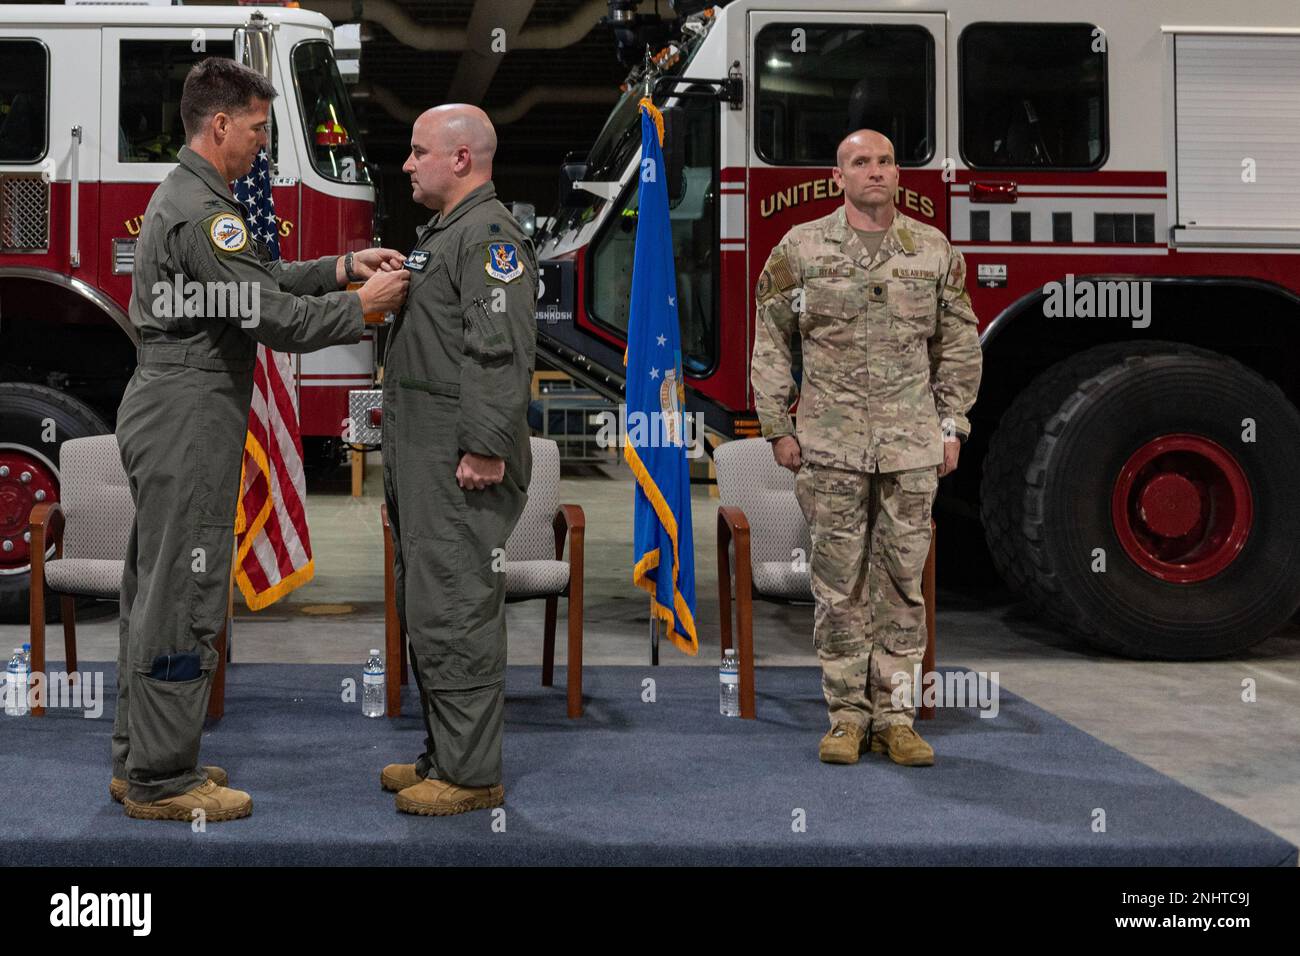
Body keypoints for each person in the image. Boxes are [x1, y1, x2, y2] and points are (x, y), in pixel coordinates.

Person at [113, 57, 409, 821]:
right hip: (189, 414)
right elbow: (273, 317)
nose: (260, 146)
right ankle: (158, 779)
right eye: (255, 129)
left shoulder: (191, 197)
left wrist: (342, 267)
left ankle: (147, 755)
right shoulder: (203, 210)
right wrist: (364, 308)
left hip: (176, 405)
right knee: (183, 589)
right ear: (219, 126)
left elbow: (260, 279)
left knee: (157, 587)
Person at [750, 129, 982, 767]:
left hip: (912, 449)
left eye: (884, 162)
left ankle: (898, 719)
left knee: (904, 585)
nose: (873, 171)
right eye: (860, 162)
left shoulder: (932, 251)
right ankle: (847, 717)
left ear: (899, 174)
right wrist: (778, 426)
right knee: (838, 587)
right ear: (838, 175)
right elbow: (771, 340)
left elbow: (958, 347)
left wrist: (952, 425)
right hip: (831, 449)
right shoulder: (800, 249)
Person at [379, 105, 537, 816]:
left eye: (419, 153)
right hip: (426, 452)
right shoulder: (448, 232)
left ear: (462, 159)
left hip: (458, 456)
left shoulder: (489, 237)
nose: (408, 165)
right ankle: (445, 754)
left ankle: (472, 774)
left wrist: (485, 445)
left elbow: (498, 352)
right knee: (431, 602)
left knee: (458, 608)